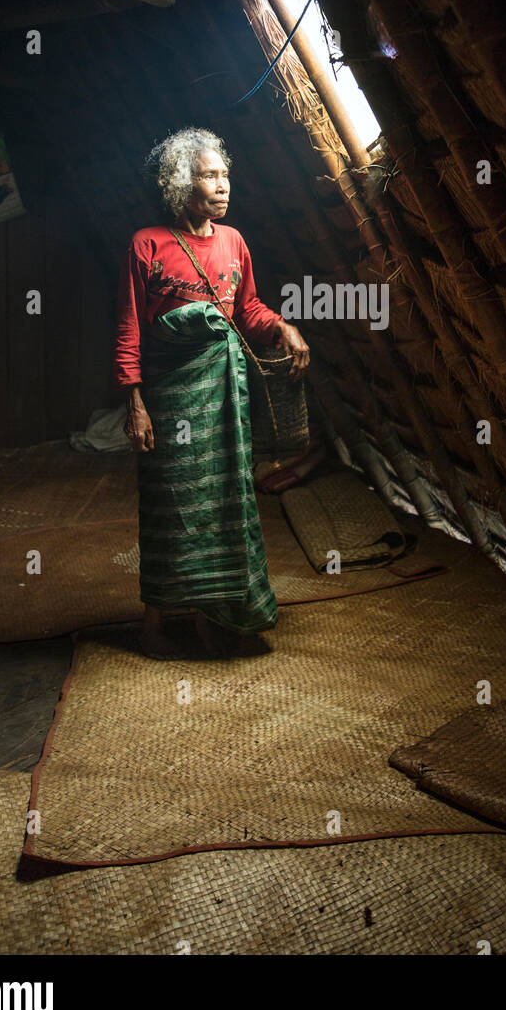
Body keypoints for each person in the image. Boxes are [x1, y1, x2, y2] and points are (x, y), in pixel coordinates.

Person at [113, 127, 310, 659]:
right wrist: (134, 404)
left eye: (225, 175)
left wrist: (282, 327)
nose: (222, 186)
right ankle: (154, 624)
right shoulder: (146, 245)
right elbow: (130, 328)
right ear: (183, 183)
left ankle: (213, 616)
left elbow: (245, 309)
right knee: (170, 506)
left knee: (223, 503)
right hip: (169, 397)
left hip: (223, 400)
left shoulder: (234, 243)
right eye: (209, 176)